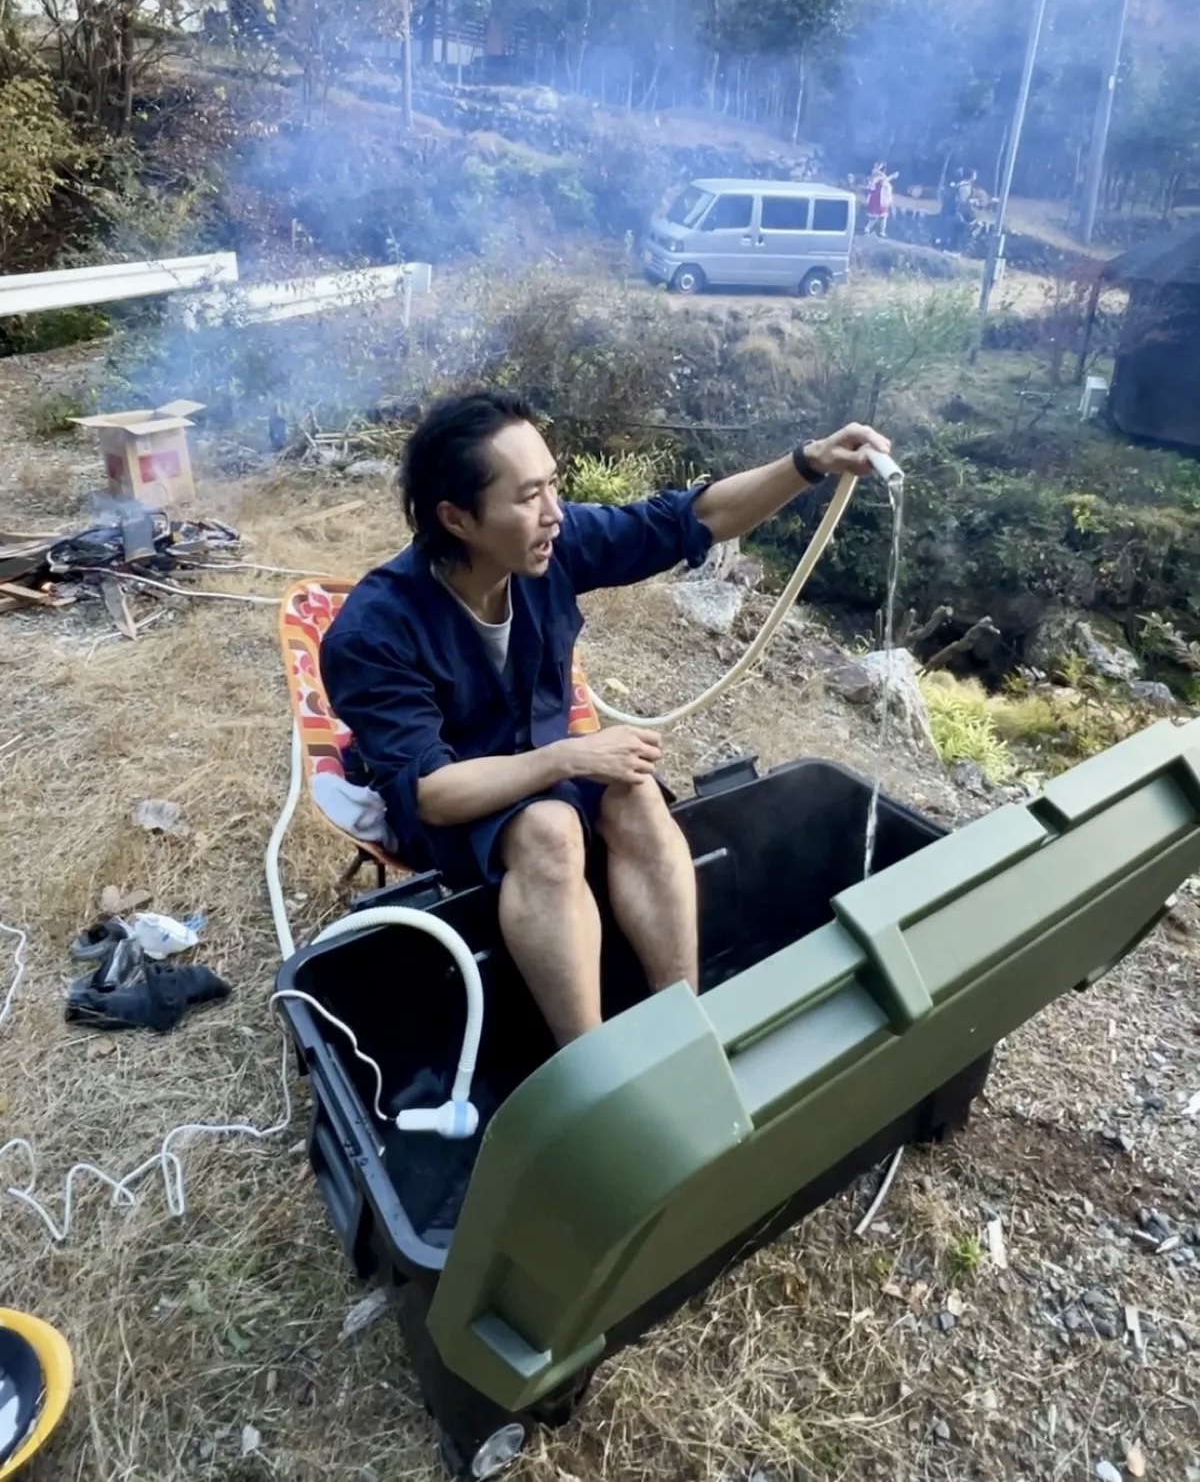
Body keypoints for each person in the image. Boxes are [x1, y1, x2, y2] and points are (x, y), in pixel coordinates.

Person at [321, 392, 890, 1048]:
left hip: (537, 761)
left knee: (638, 791)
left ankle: (683, 1024)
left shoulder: (548, 549)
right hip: (453, 805)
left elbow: (692, 517)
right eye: (528, 496)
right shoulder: (373, 631)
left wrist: (809, 461)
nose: (554, 513)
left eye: (553, 486)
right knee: (551, 829)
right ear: (457, 517)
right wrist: (566, 758)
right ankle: (594, 1069)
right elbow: (431, 794)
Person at [865, 163, 898, 238]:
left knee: (883, 217)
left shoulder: (881, 178)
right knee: (876, 216)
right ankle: (867, 228)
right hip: (877, 200)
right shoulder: (875, 178)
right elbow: (882, 181)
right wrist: (892, 176)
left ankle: (882, 232)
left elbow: (884, 181)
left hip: (883, 200)